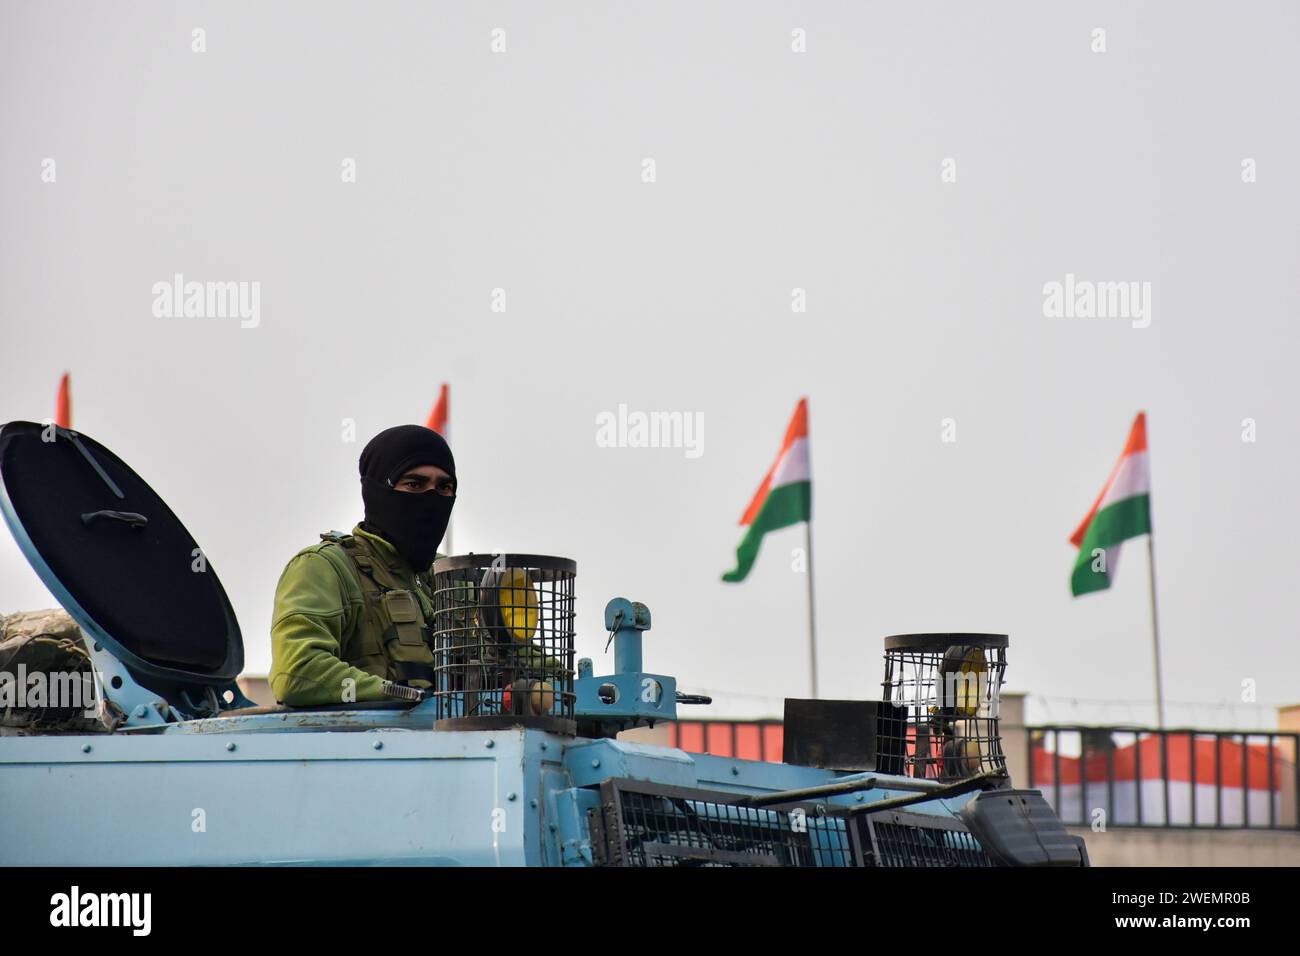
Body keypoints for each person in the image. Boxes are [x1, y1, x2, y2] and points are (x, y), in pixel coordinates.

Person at [268, 425, 455, 707]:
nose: (431, 499)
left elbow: (517, 657)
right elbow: (297, 671)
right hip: (361, 743)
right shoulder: (326, 568)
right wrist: (399, 695)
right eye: (414, 485)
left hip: (460, 746)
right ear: (377, 491)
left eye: (444, 487)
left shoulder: (454, 578)